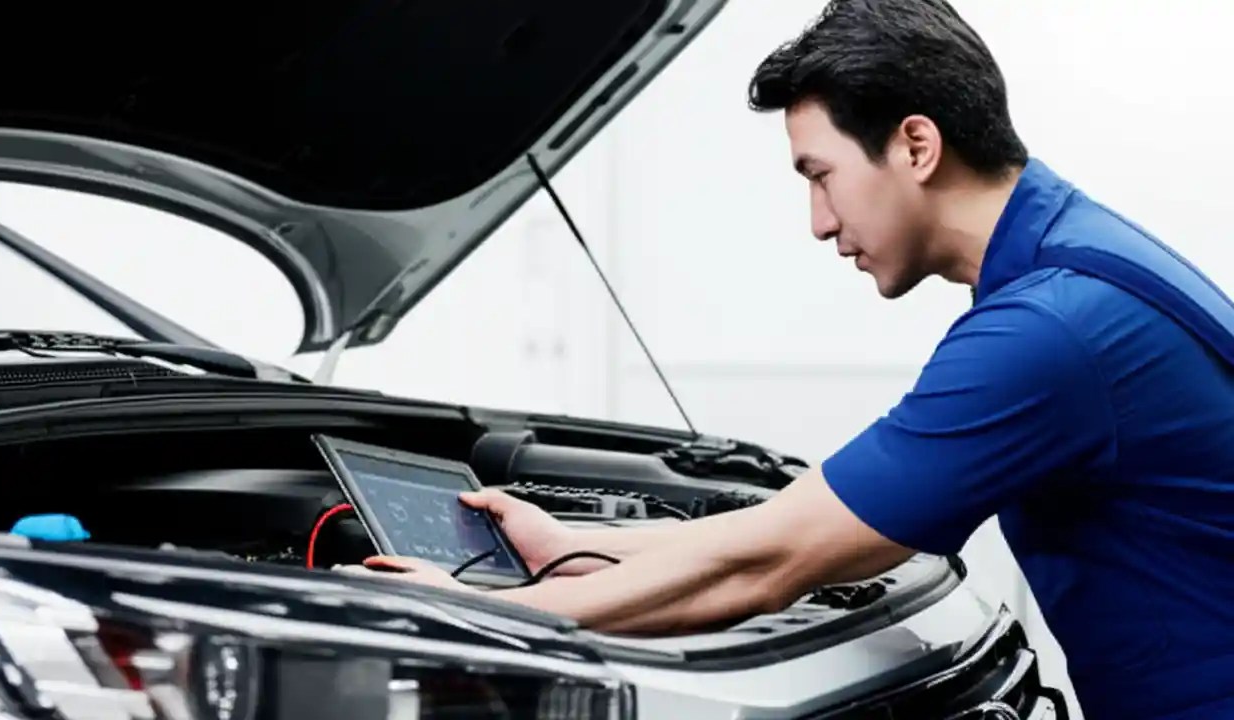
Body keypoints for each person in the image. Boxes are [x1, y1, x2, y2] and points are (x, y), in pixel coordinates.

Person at [340, 1, 1234, 717]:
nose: (818, 221)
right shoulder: (1079, 264)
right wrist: (581, 544)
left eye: (820, 174)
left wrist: (466, 614)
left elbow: (771, 563)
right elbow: (793, 531)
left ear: (916, 146)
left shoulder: (1052, 333)